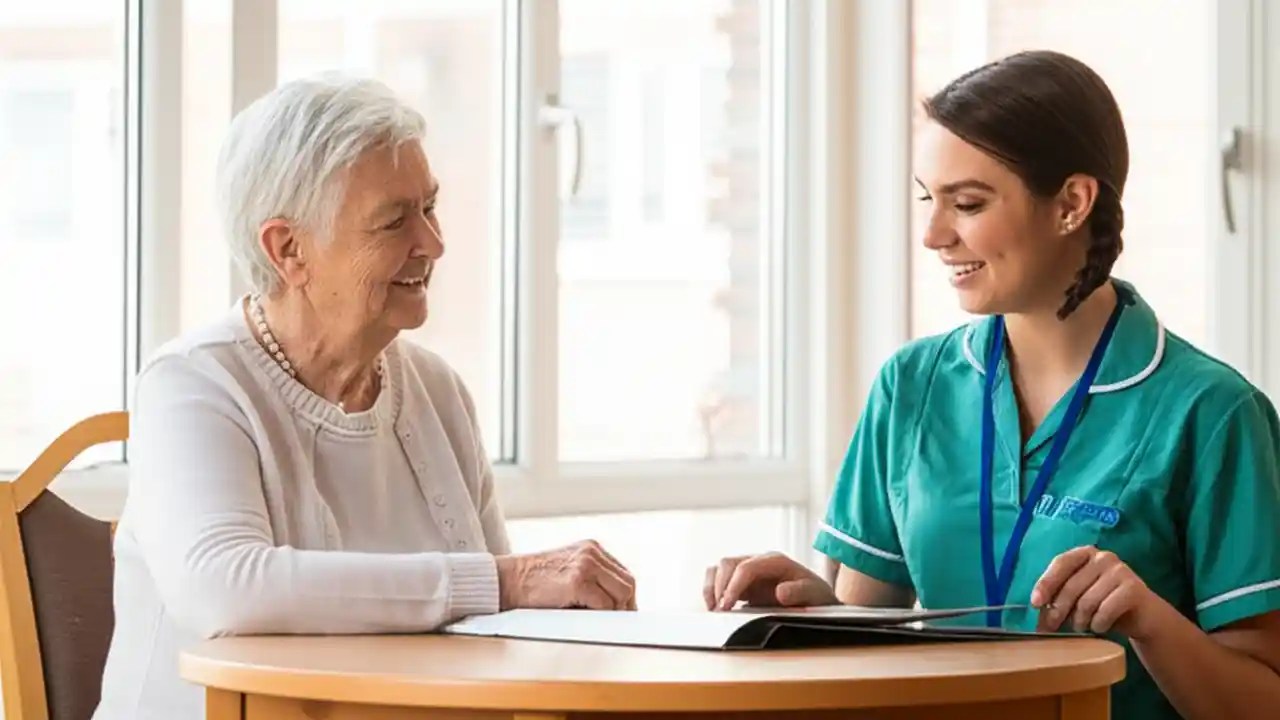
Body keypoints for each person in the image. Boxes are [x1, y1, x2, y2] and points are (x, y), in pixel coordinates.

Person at [703, 50, 1280, 719]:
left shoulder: (1213, 415)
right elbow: (866, 636)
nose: (933, 234)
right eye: (929, 199)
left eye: (967, 203)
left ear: (1070, 203)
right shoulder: (910, 387)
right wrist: (805, 610)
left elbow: (1263, 703)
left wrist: (1151, 622)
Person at [94, 75, 636, 720]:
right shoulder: (193, 384)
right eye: (393, 221)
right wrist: (507, 579)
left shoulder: (436, 390)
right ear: (288, 249)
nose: (433, 243)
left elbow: (502, 625)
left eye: (429, 208)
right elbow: (223, 588)